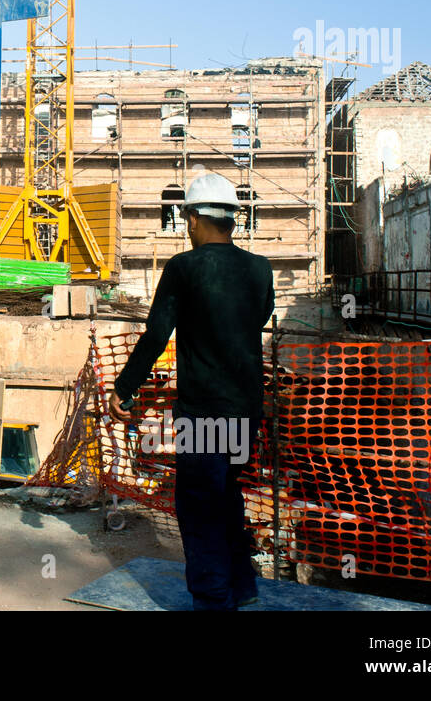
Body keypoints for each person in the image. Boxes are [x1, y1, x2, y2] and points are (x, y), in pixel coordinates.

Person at [108, 172, 274, 610]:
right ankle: (242, 586)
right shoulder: (259, 269)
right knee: (228, 494)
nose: (186, 226)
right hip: (244, 409)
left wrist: (125, 388)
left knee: (199, 504)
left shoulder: (183, 268)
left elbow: (156, 334)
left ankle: (213, 599)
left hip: (204, 414)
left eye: (186, 218)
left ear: (197, 218)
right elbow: (257, 319)